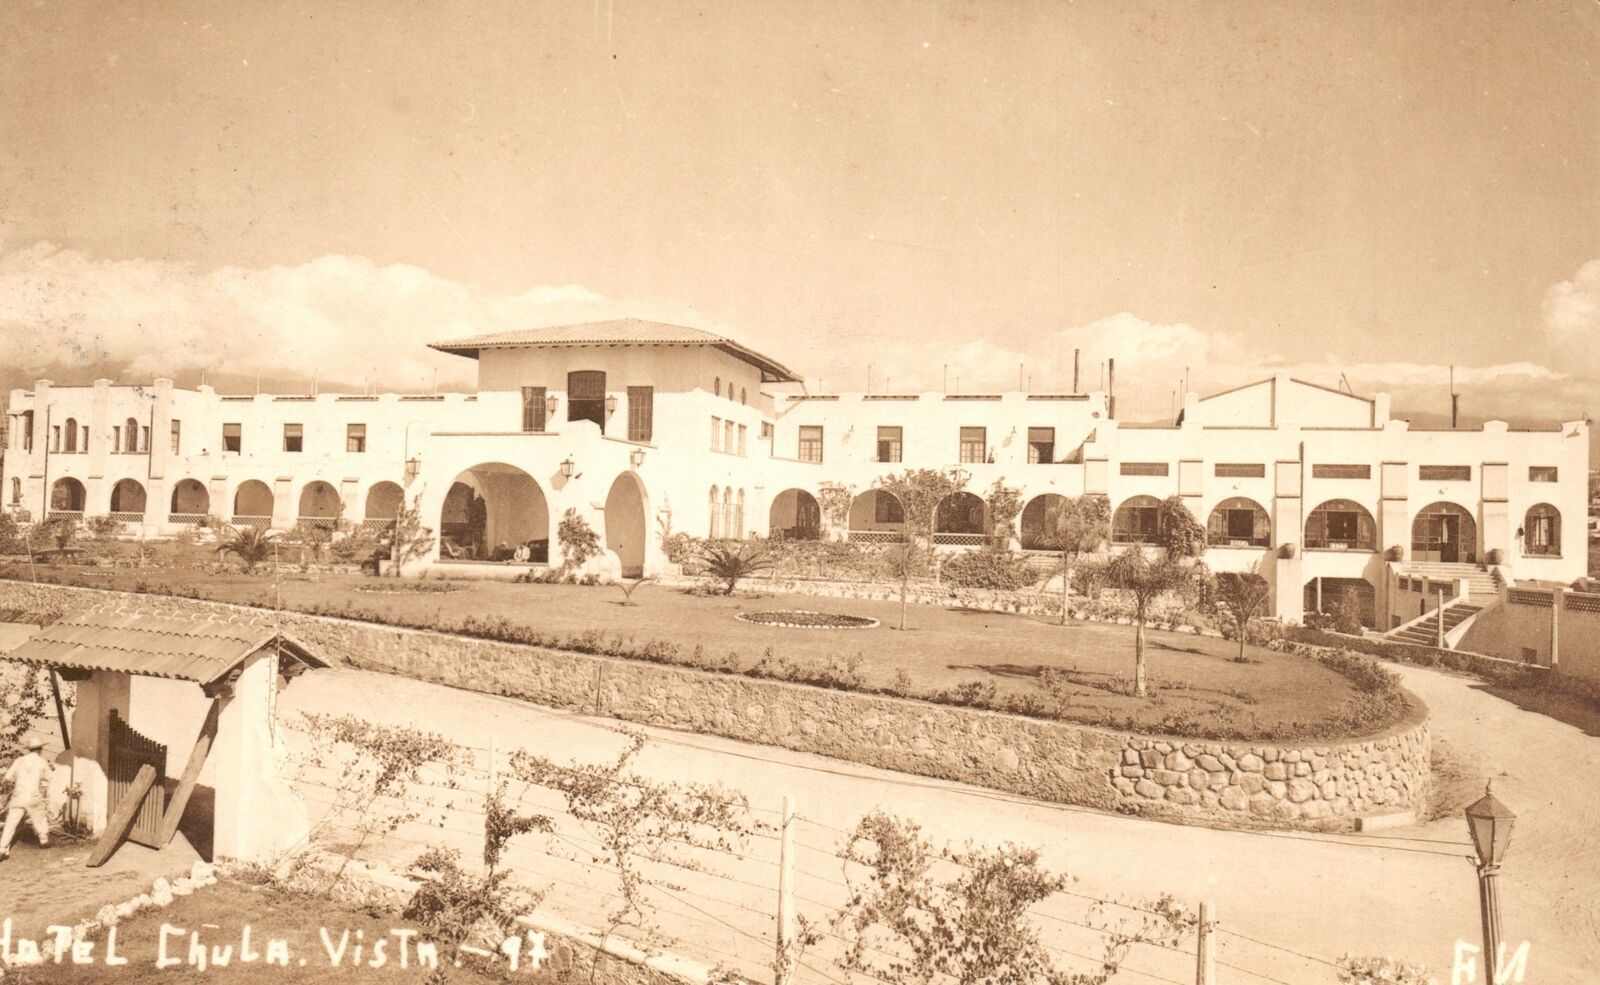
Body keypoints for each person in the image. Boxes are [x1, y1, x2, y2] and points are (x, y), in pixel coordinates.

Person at [0, 737, 51, 860]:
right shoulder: (41, 761)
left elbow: (8, 778)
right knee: (39, 817)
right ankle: (44, 840)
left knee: (11, 823)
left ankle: (2, 849)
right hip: (33, 795)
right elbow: (49, 777)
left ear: (29, 749)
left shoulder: (19, 761)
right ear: (40, 749)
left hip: (19, 795)